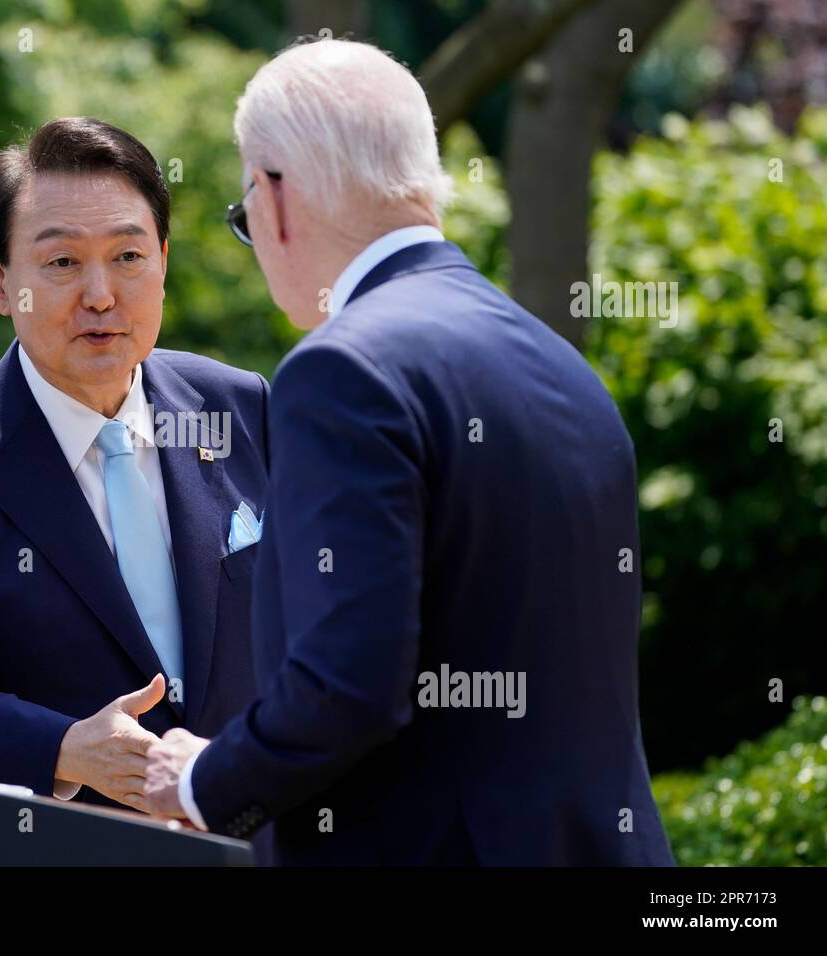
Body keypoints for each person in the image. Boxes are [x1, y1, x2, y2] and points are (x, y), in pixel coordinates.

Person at [144, 38, 674, 866]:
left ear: (274, 198)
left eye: (245, 219)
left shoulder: (339, 370)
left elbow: (347, 684)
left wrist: (201, 780)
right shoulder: (564, 369)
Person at [0, 117, 269, 815]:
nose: (101, 295)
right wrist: (66, 750)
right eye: (62, 263)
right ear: (0, 280)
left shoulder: (240, 405)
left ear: (163, 262)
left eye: (129, 257)